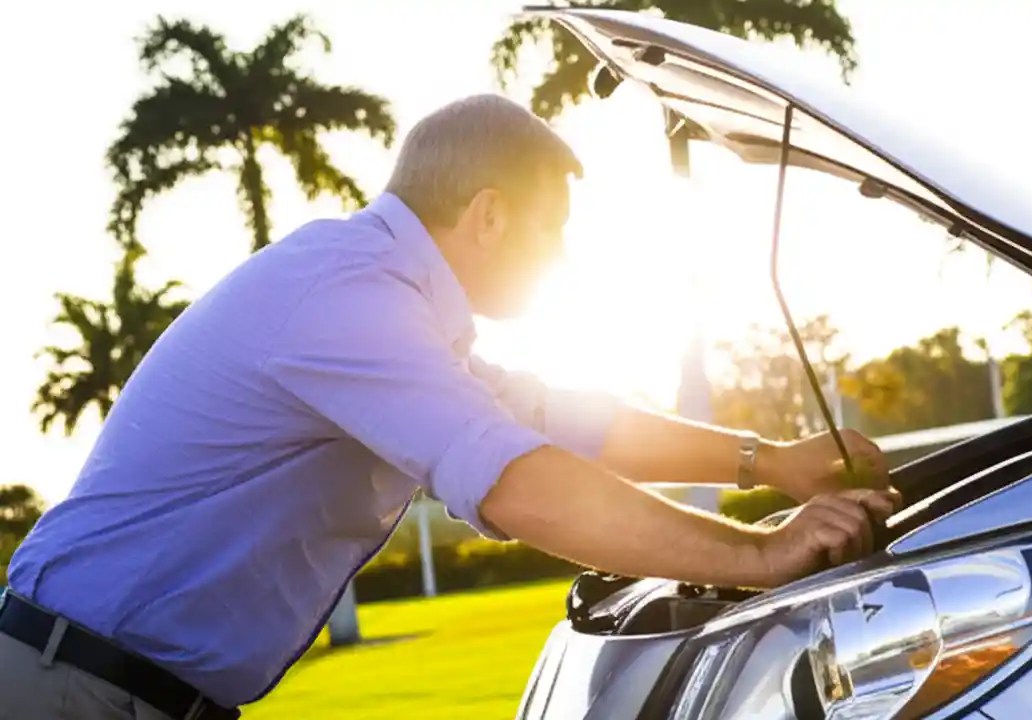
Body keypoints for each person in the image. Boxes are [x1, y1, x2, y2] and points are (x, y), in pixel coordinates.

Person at [1, 94, 898, 719]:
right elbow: (513, 481)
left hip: (105, 687)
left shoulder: (394, 311)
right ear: (490, 215)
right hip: (68, 690)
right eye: (555, 227)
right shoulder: (344, 296)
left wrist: (770, 462)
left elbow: (562, 420)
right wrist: (761, 551)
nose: (565, 256)